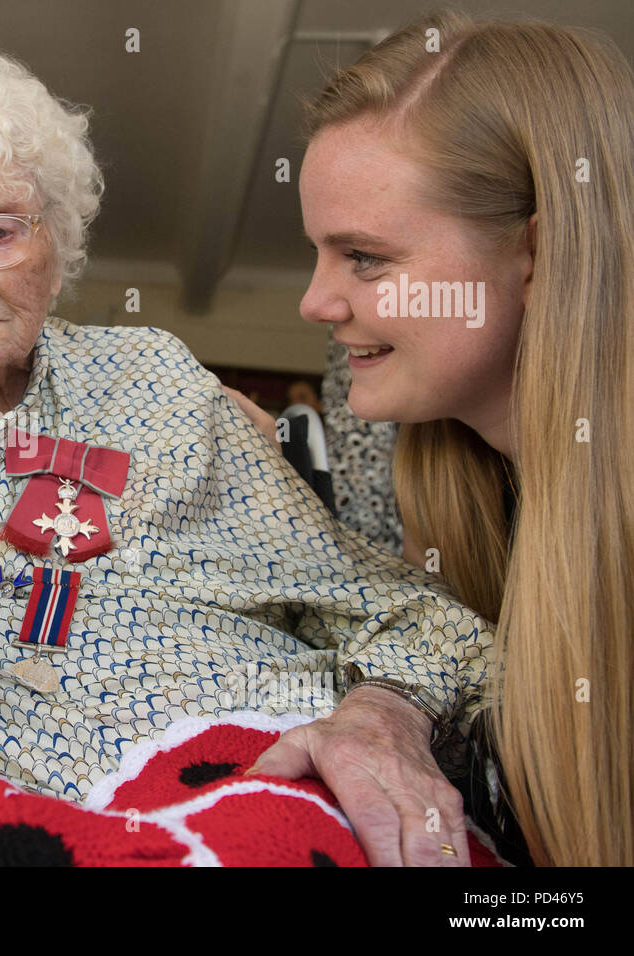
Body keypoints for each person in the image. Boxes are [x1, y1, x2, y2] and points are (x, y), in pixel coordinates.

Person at [0, 35, 497, 867]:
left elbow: (411, 617)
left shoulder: (154, 384)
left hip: (209, 786)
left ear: (58, 239)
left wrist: (380, 719)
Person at [244, 11, 632, 866]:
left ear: (537, 252)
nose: (316, 302)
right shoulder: (462, 495)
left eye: (366, 258)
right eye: (318, 253)